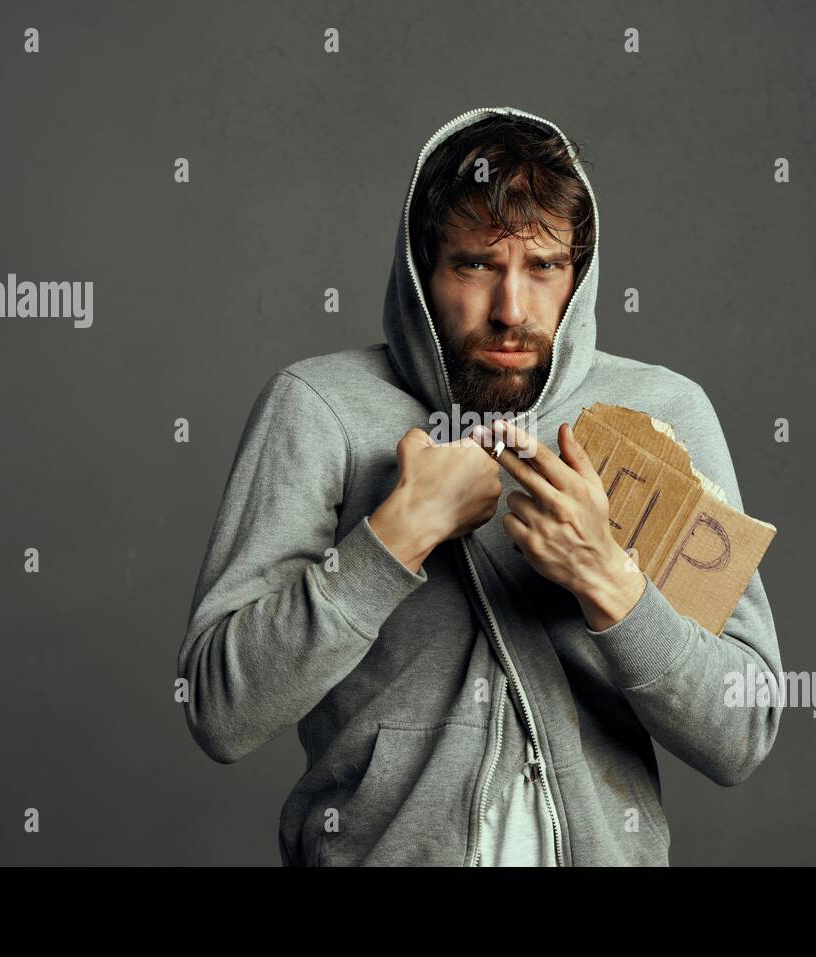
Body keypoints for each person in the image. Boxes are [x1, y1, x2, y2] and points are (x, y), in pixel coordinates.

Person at [177, 106, 783, 866]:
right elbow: (219, 710)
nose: (511, 311)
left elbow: (744, 730)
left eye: (543, 267)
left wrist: (608, 579)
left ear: (579, 276)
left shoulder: (661, 416)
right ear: (422, 268)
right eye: (475, 264)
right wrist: (395, 535)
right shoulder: (320, 408)